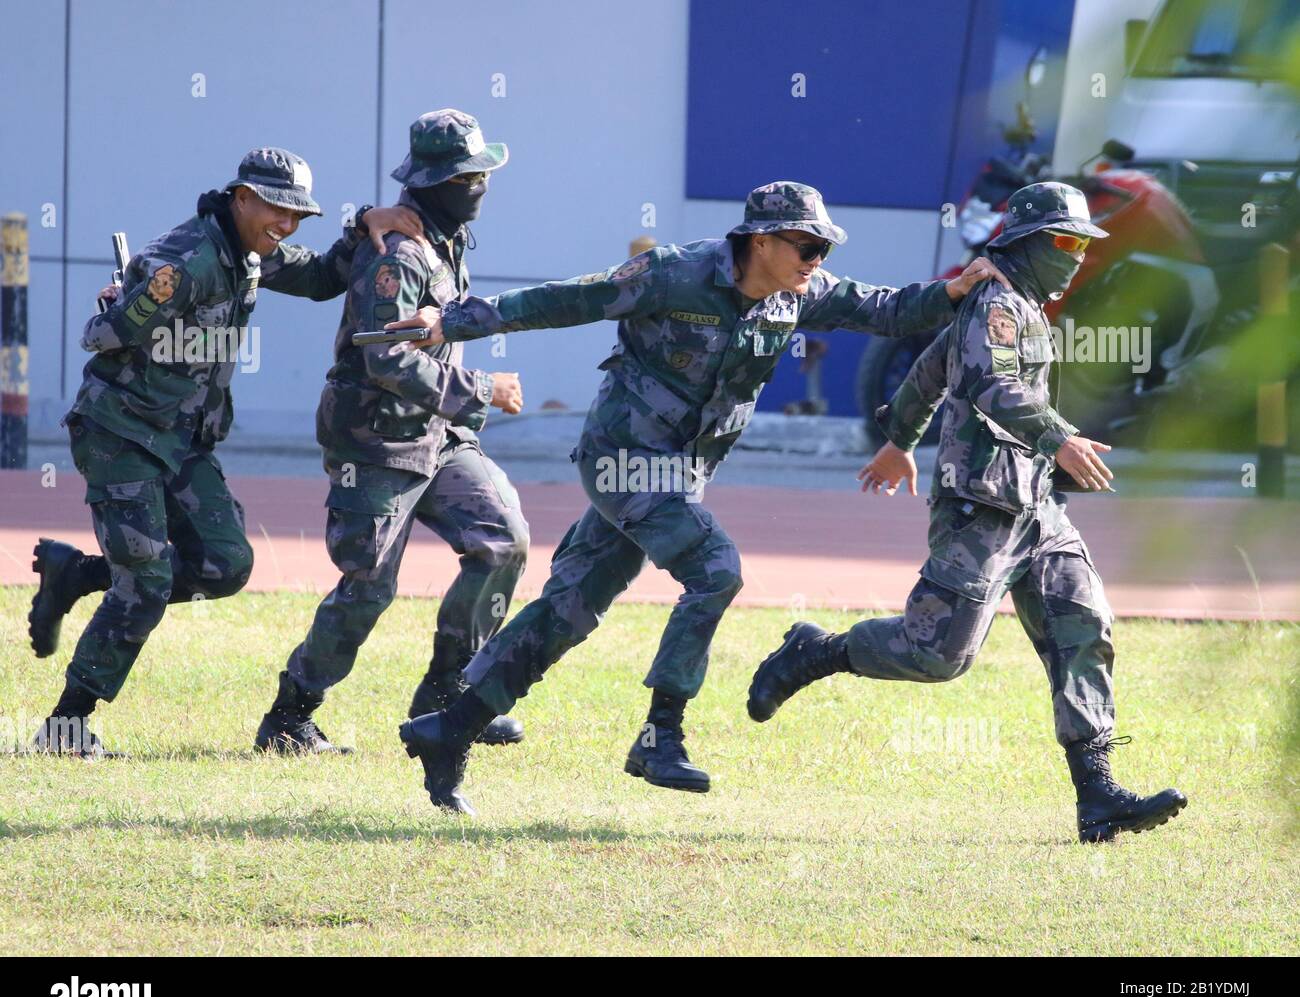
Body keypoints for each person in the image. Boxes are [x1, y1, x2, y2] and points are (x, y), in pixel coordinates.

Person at [387, 180, 1009, 815]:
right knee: (716, 571)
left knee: (571, 606)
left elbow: (888, 309)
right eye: (805, 243)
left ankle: (450, 728)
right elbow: (567, 299)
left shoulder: (797, 294)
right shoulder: (672, 274)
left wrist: (953, 291)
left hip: (680, 472)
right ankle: (661, 734)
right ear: (759, 240)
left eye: (823, 246)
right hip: (623, 460)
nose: (815, 258)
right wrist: (452, 321)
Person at [747, 181, 1188, 844]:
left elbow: (933, 366)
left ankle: (1098, 796)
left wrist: (898, 439)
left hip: (1037, 506)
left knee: (1082, 626)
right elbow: (989, 382)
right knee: (938, 655)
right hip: (981, 505)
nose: (1074, 256)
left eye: (1081, 244)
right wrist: (1058, 437)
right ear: (1027, 243)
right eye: (1065, 242)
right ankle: (816, 652)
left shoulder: (1022, 303)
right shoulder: (997, 304)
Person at [27, 148, 423, 758]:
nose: (285, 225)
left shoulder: (250, 255)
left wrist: (367, 223)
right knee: (149, 578)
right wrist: (128, 302)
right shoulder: (185, 263)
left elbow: (320, 279)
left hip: (182, 440)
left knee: (224, 565)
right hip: (122, 433)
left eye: (296, 216)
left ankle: (78, 574)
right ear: (241, 197)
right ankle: (66, 727)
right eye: (275, 209)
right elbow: (96, 336)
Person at [256, 110, 529, 754]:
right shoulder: (397, 253)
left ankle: (450, 696)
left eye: (484, 172)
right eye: (470, 175)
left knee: (504, 541)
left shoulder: (444, 238)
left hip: (440, 436)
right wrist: (482, 389)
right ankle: (290, 715)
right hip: (376, 439)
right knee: (369, 586)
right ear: (436, 182)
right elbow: (386, 358)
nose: (482, 186)